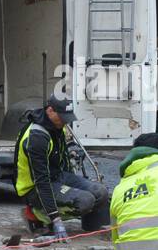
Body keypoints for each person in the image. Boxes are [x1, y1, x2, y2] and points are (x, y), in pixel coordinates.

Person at [14, 93, 110, 238]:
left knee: (101, 192)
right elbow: (41, 182)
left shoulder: (58, 126)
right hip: (34, 188)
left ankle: (52, 212)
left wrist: (74, 185)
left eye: (67, 118)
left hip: (58, 176)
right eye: (62, 117)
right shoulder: (37, 137)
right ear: (50, 110)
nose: (65, 122)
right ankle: (35, 215)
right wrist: (56, 219)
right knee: (85, 200)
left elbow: (63, 160)